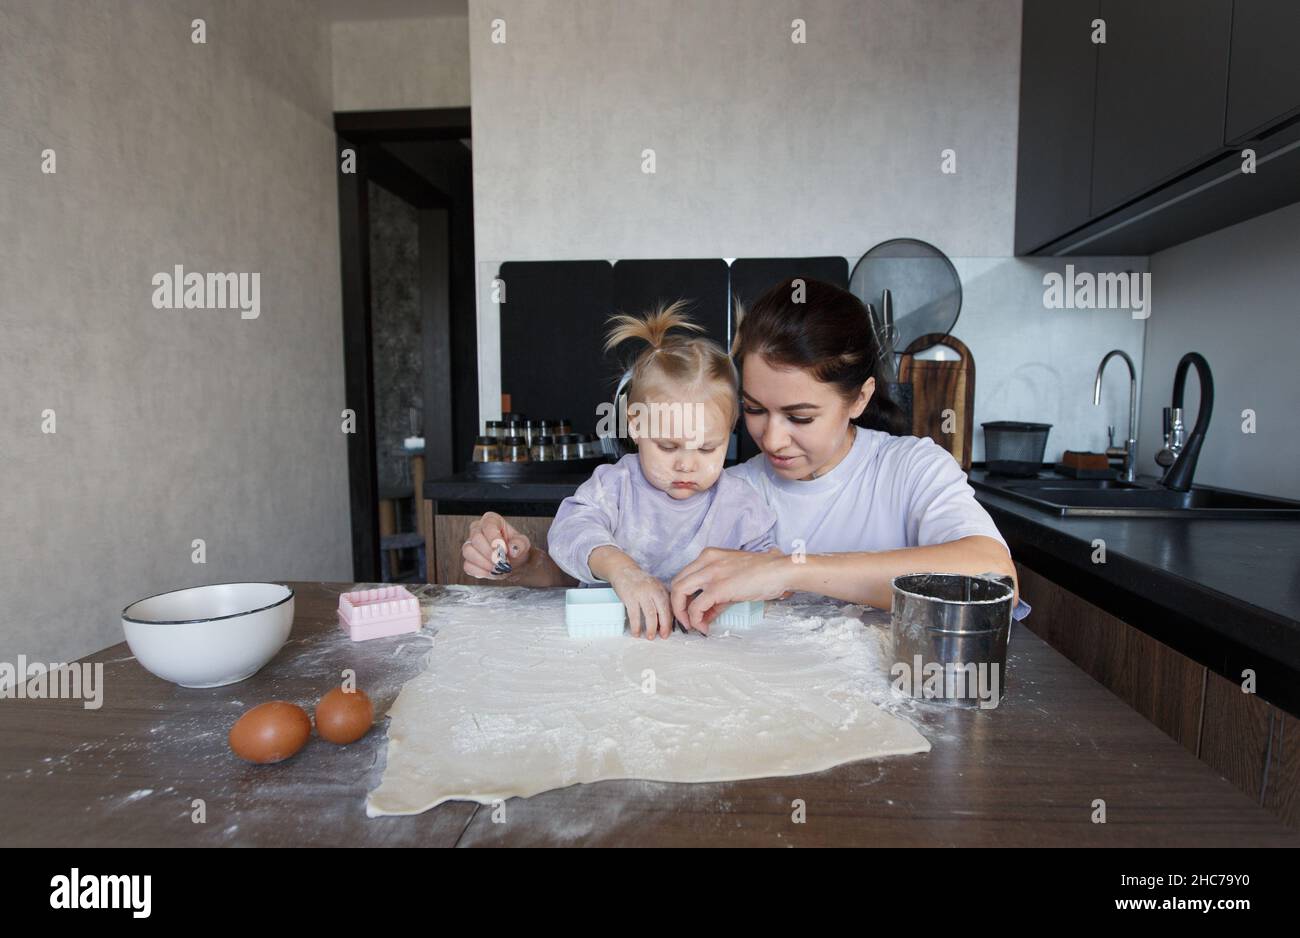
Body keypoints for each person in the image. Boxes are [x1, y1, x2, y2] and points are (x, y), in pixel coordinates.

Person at [463, 277, 1020, 633]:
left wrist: (789, 568)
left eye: (800, 417)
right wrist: (524, 564)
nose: (772, 440)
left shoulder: (909, 469)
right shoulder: (721, 488)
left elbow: (994, 575)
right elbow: (622, 585)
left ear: (861, 398)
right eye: (754, 411)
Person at [542, 301, 777, 640]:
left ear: (730, 430)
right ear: (635, 426)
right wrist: (621, 569)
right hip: (613, 645)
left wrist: (752, 583)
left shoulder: (739, 502)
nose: (686, 463)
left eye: (708, 448)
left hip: (704, 652)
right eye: (668, 446)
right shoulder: (616, 486)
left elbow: (771, 570)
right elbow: (568, 532)